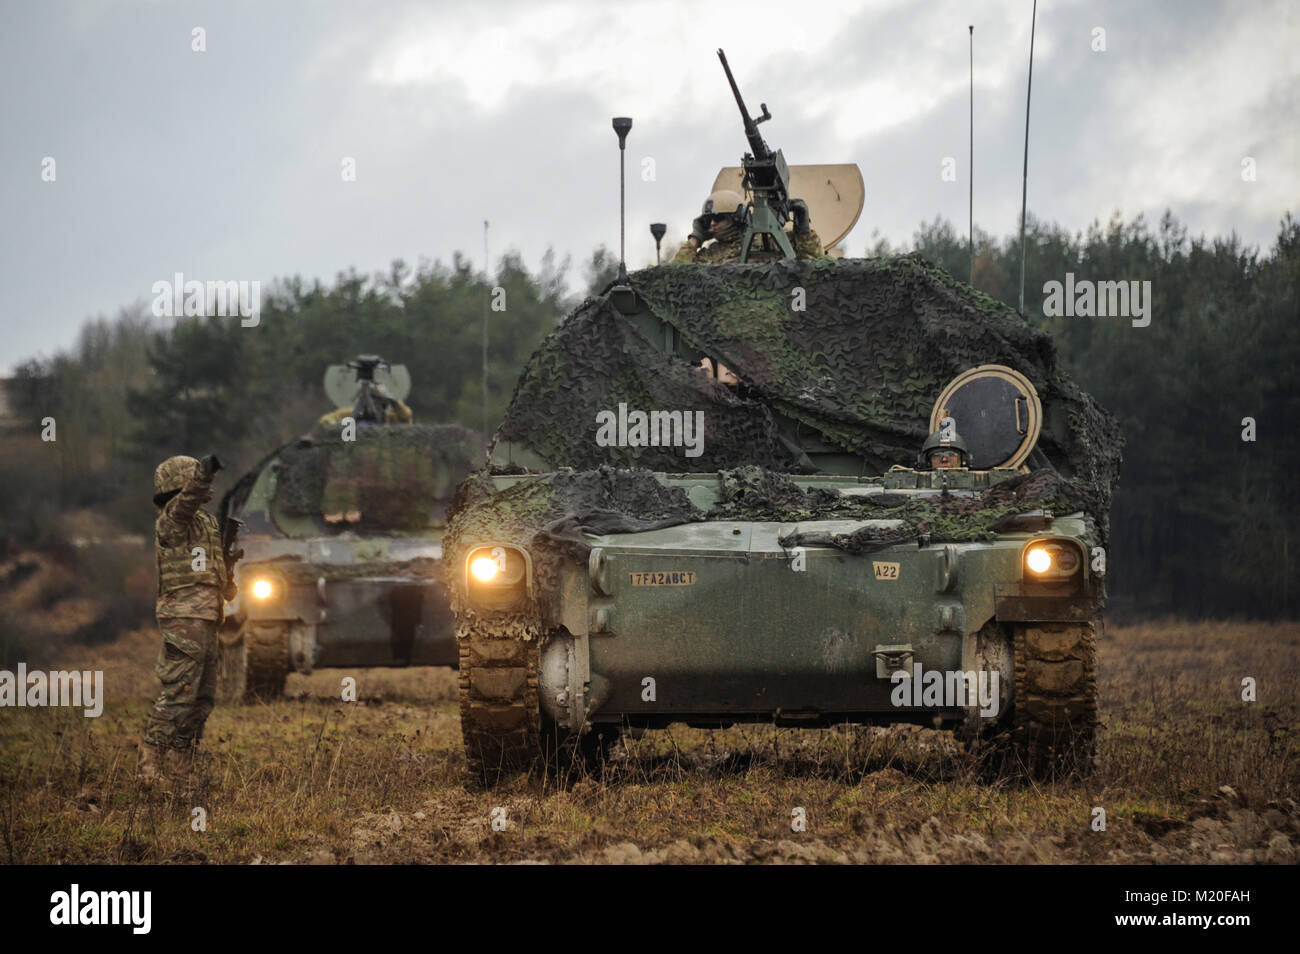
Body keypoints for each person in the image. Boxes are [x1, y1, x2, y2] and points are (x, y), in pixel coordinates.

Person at [138, 454, 237, 789]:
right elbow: (188, 501)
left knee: (203, 696)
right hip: (183, 616)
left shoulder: (206, 523)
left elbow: (210, 569)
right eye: (195, 481)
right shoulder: (173, 520)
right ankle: (150, 760)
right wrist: (204, 473)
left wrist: (228, 575)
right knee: (180, 690)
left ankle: (182, 762)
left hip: (208, 615)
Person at [672, 190, 825, 264]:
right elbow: (672, 277)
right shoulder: (711, 254)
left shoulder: (772, 239)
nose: (712, 223)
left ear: (736, 218)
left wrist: (804, 229)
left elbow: (813, 263)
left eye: (718, 218)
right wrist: (695, 239)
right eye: (708, 219)